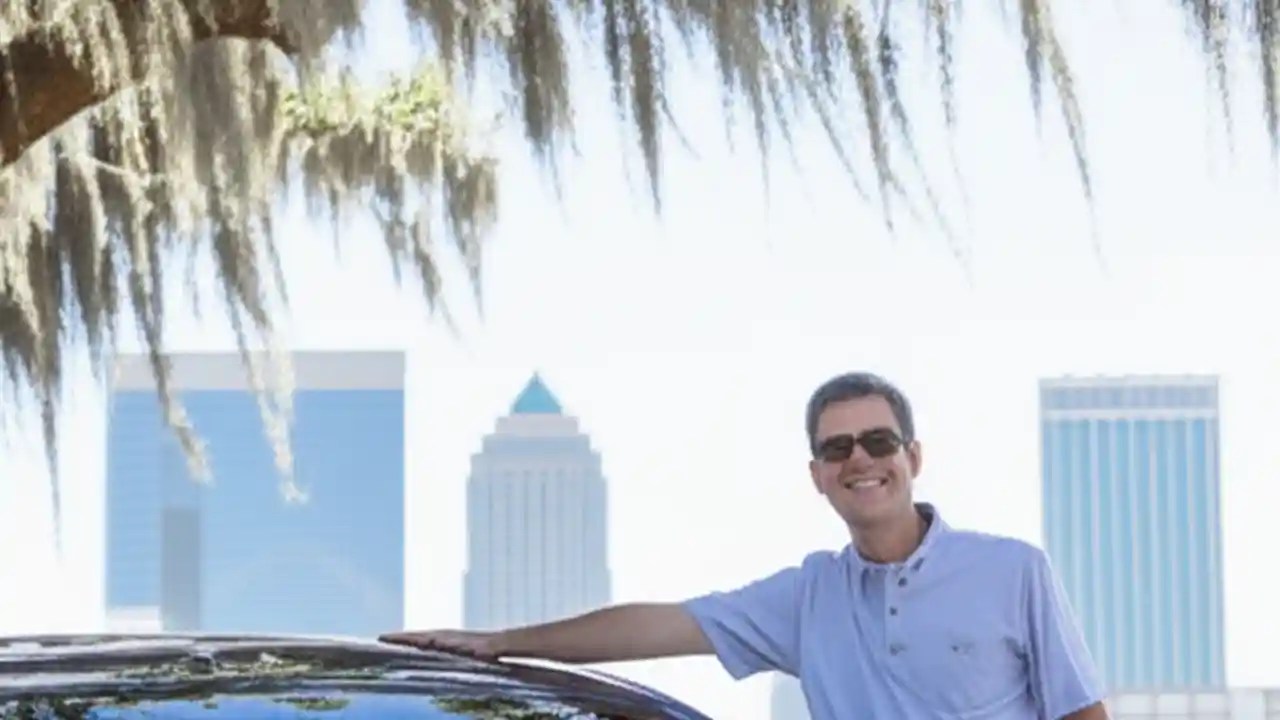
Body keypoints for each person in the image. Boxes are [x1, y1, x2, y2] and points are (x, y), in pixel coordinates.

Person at [382, 372, 1109, 719]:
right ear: (818, 475)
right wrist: (501, 641)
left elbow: (1083, 716)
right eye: (837, 448)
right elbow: (657, 625)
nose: (860, 459)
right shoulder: (806, 598)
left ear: (913, 456)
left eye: (879, 440)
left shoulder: (1014, 571)